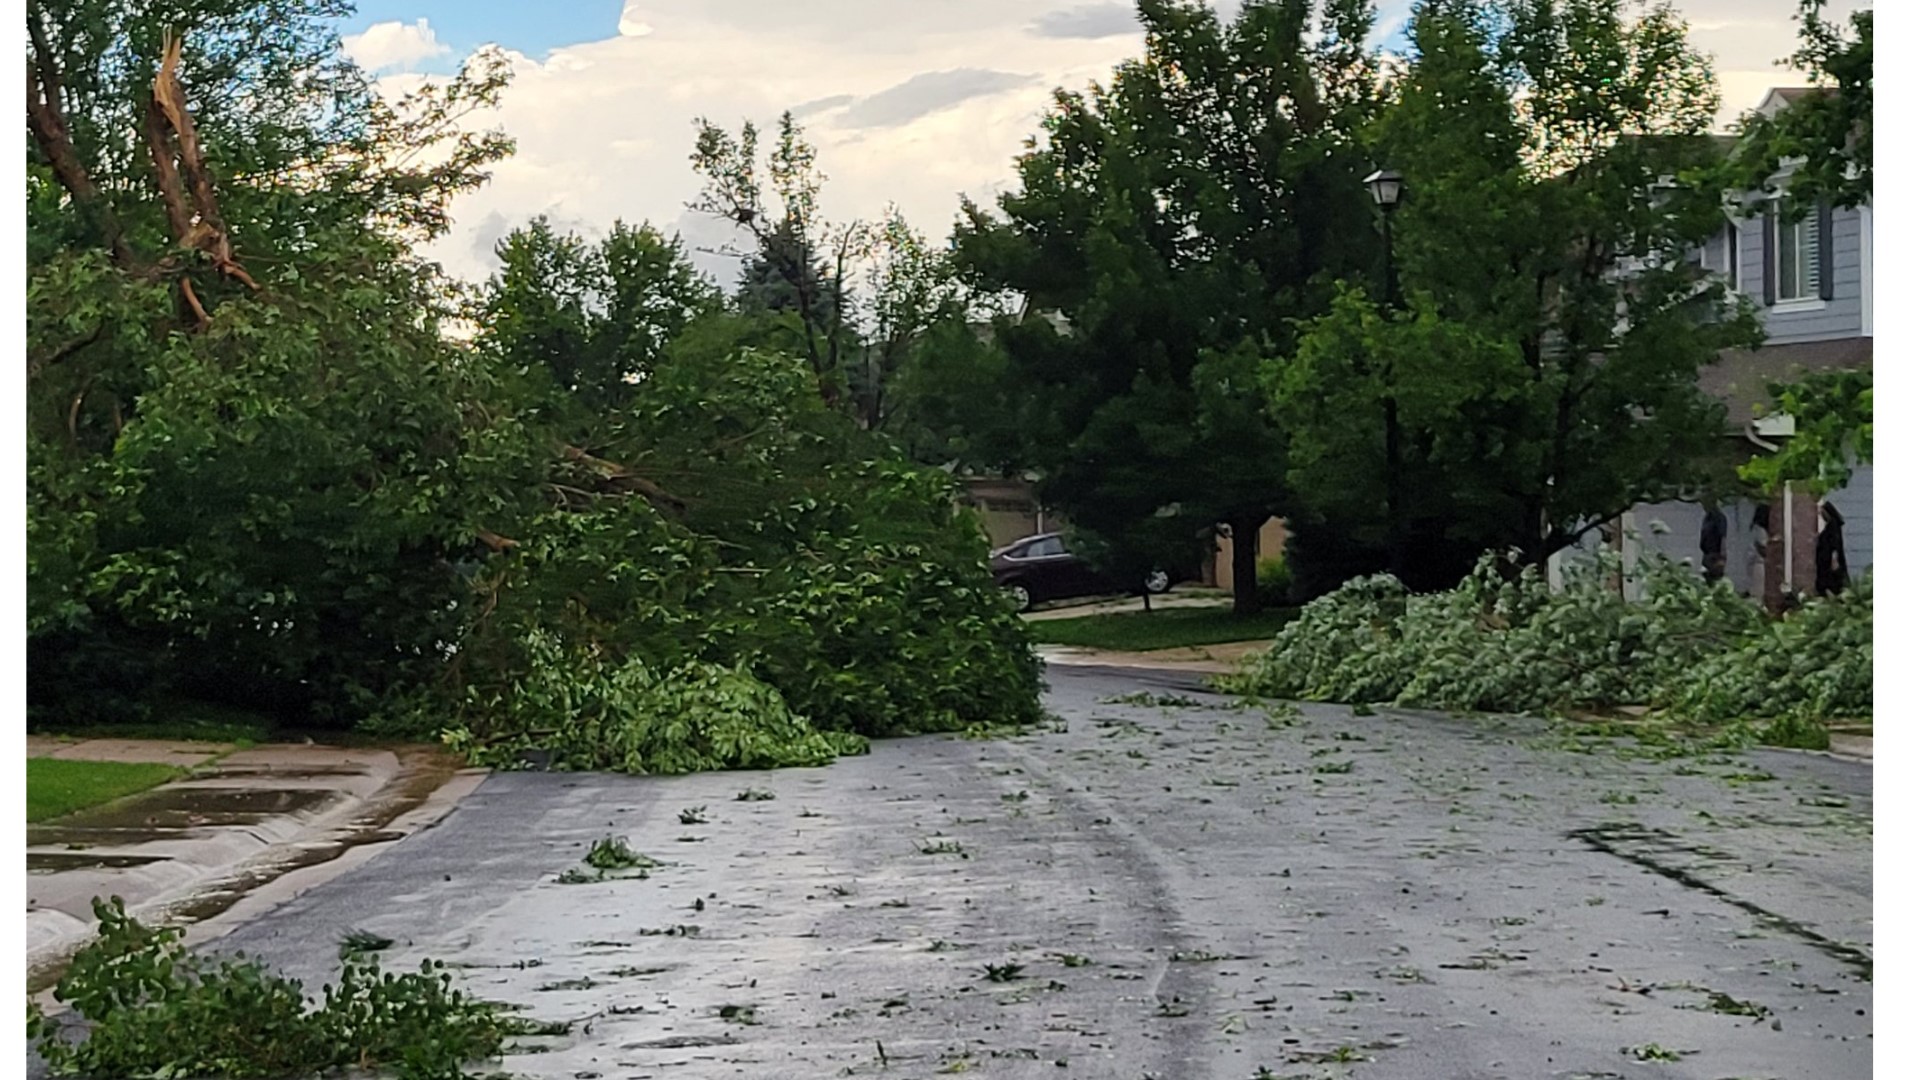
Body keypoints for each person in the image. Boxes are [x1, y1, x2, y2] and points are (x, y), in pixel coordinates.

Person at [1815, 501, 1850, 597]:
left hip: (1828, 565)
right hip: (1824, 562)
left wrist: (1834, 560)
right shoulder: (1831, 527)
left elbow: (1835, 545)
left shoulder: (1833, 527)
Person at [1699, 500, 1727, 582]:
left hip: (1715, 553)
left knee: (1715, 577)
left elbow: (1723, 537)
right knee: (1706, 576)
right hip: (1706, 553)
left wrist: (1722, 556)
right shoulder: (1707, 517)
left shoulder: (1719, 518)